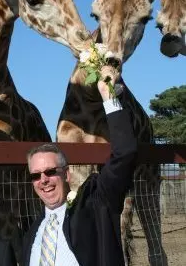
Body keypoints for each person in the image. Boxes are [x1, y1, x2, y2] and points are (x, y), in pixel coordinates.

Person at [22, 66, 138, 266]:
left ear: (66, 174)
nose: (43, 180)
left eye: (50, 171)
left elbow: (125, 153)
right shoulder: (33, 232)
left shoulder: (95, 205)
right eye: (36, 175)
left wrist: (107, 94)